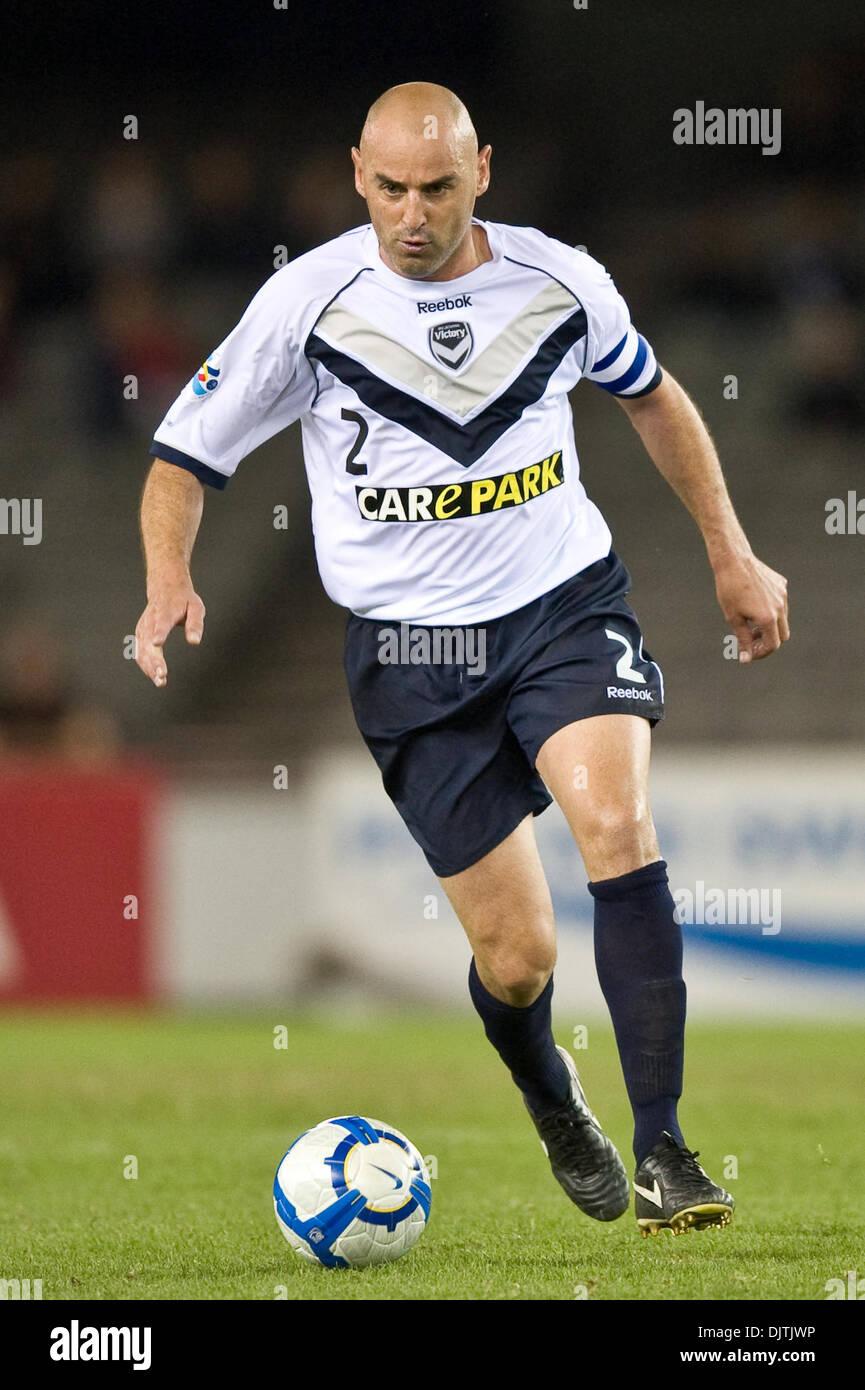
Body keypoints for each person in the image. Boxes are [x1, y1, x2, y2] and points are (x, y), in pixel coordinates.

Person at [135, 82, 789, 1239]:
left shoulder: (558, 279)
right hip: (407, 658)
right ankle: (553, 1103)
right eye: (389, 188)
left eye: (437, 187)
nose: (411, 213)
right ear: (355, 175)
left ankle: (666, 1152)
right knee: (519, 955)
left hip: (559, 607)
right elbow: (185, 455)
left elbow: (653, 398)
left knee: (618, 830)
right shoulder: (305, 303)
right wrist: (167, 578)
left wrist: (731, 554)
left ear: (482, 169)